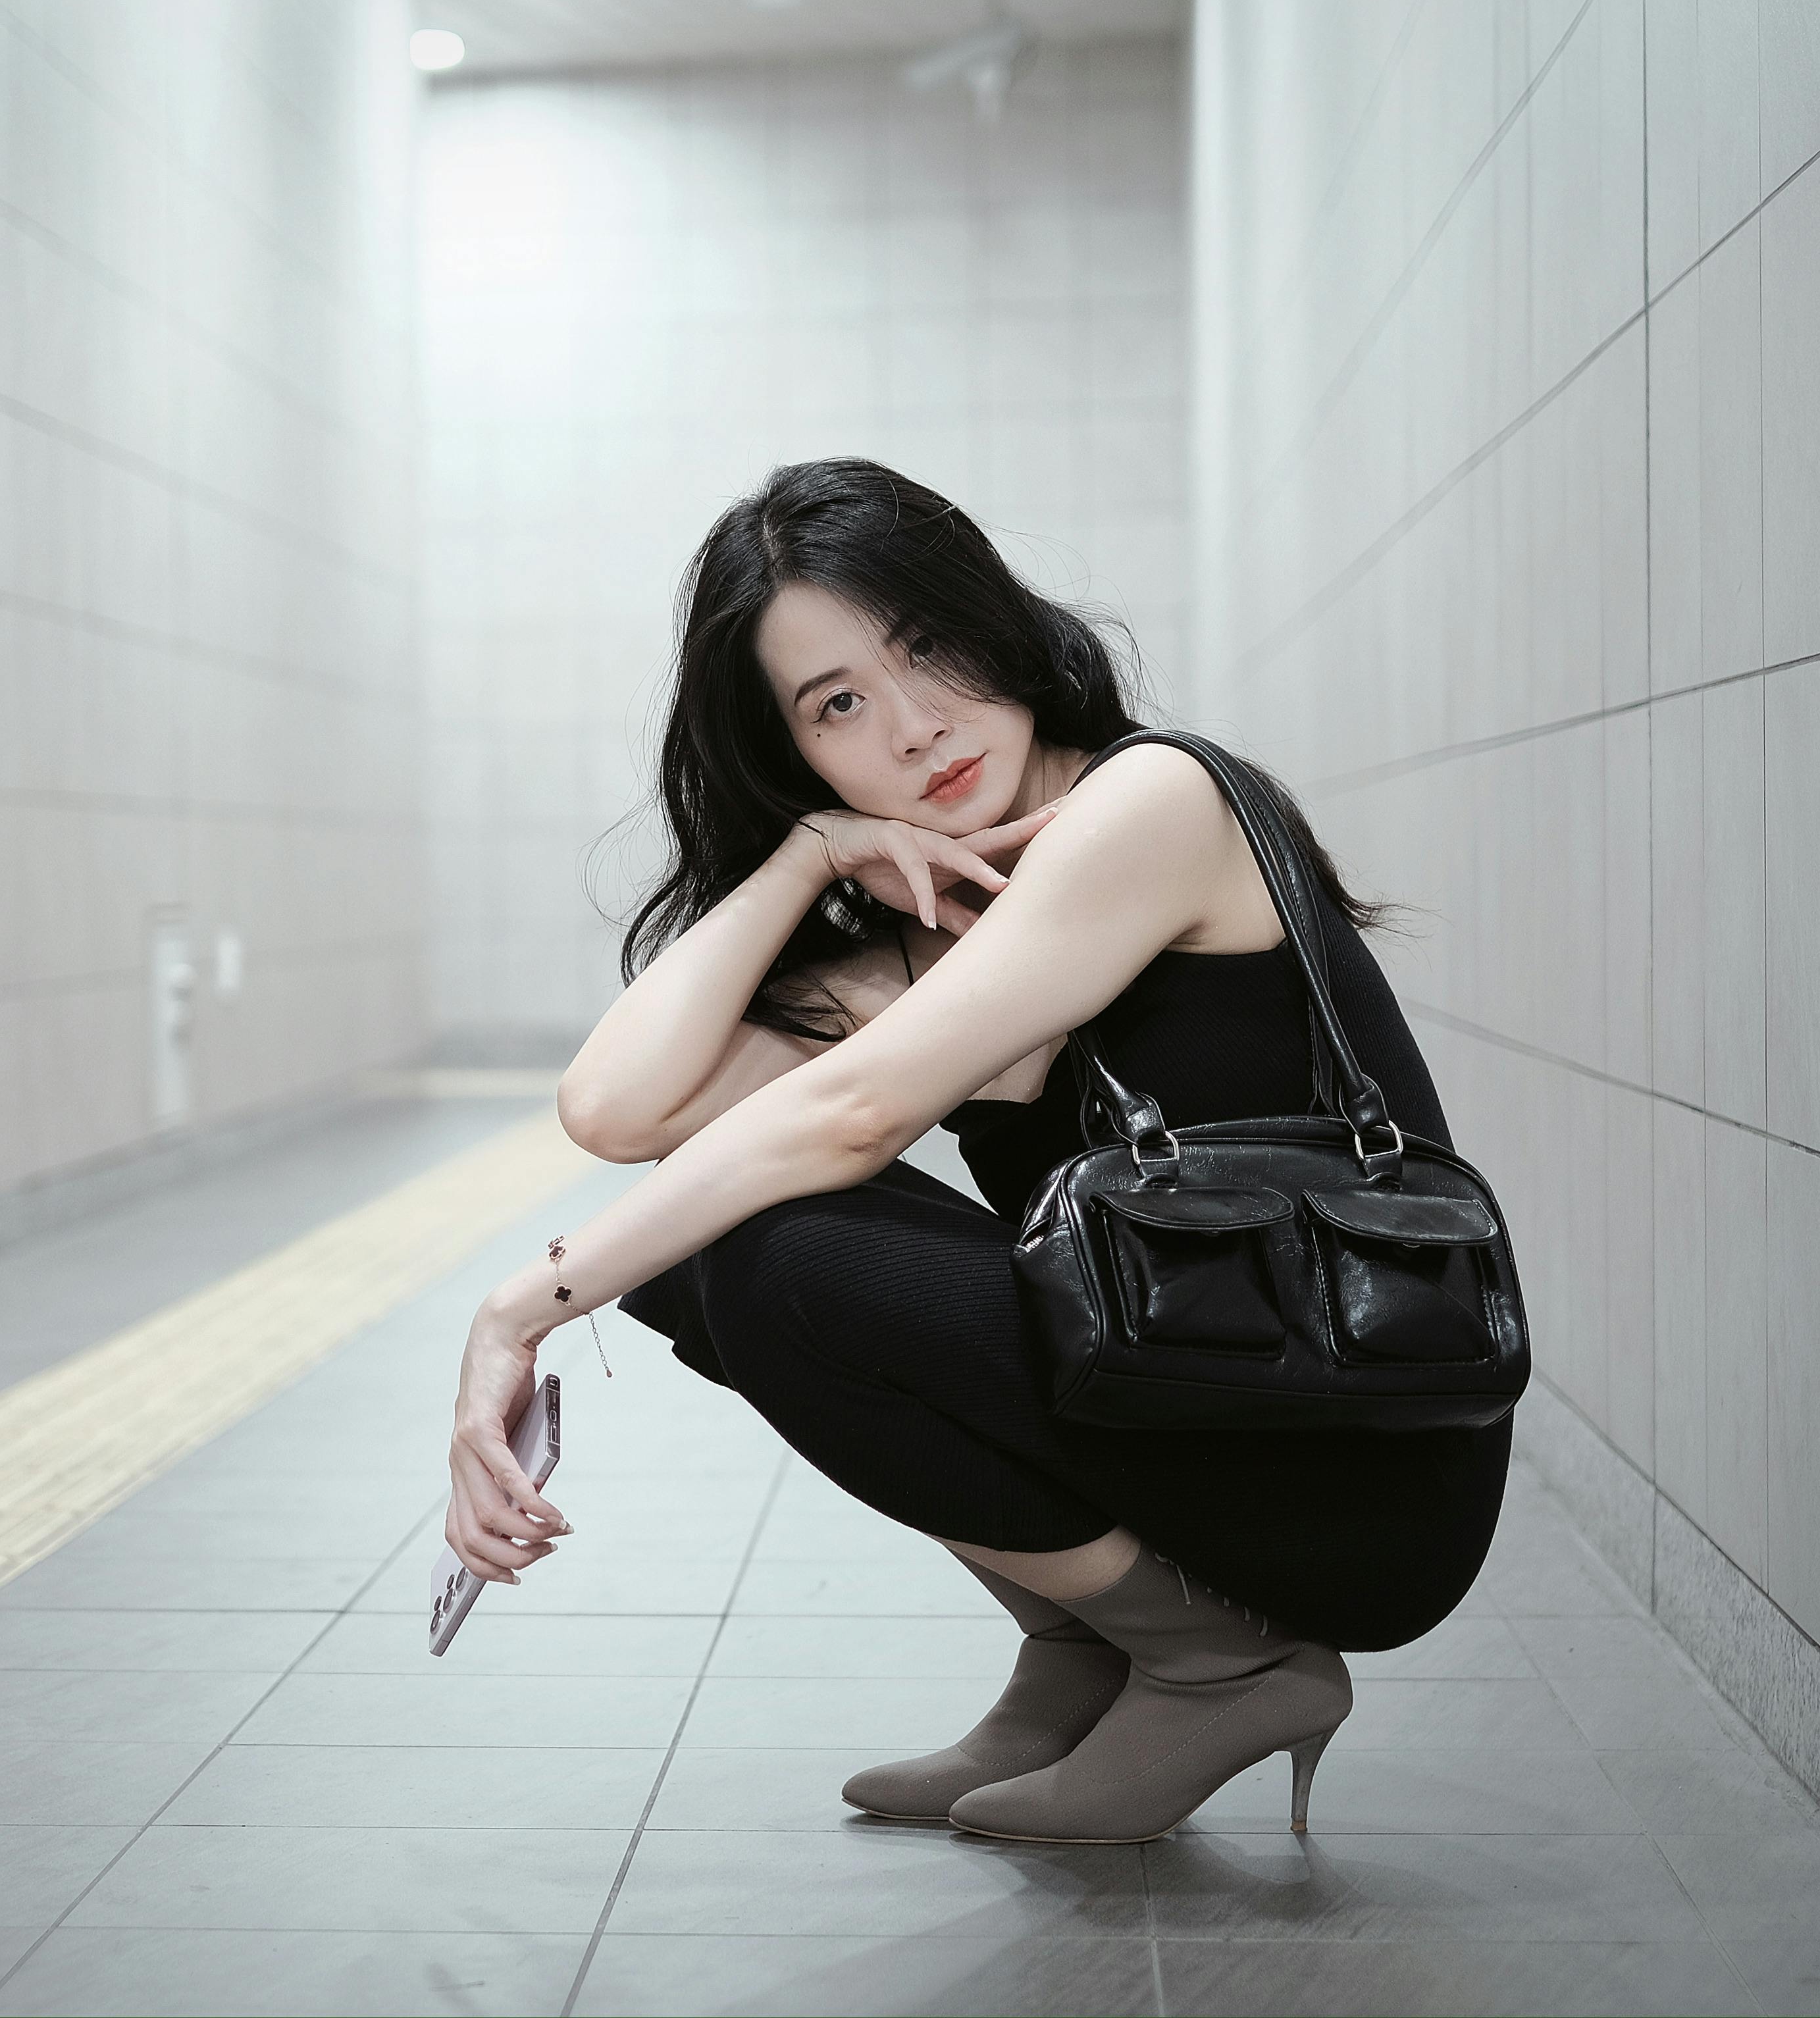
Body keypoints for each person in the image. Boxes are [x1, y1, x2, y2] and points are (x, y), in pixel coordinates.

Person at [439, 457, 1509, 1844]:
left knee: (784, 1245)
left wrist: (516, 1308)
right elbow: (620, 1108)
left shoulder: (1157, 803)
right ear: (800, 756)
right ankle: (1090, 1649)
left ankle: (1223, 1661)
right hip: (1201, 1404)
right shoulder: (940, 925)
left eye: (926, 645)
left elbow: (849, 1115)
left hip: (1357, 1459)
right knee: (702, 1244)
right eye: (838, 708)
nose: (914, 726)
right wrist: (812, 857)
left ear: (995, 616)